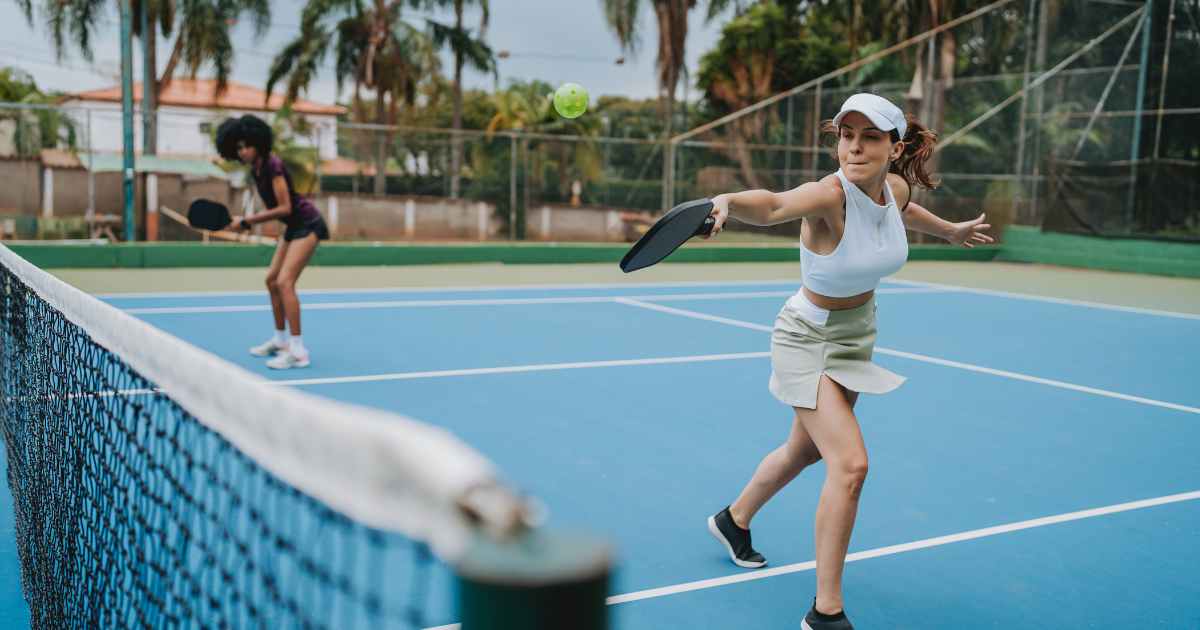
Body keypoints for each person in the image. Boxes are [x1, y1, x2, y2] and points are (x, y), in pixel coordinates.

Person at [703, 93, 993, 630]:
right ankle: (825, 614)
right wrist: (726, 200)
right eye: (845, 135)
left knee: (804, 451)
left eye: (869, 137)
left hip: (857, 334)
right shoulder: (827, 195)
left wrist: (950, 231)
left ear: (893, 147)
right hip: (805, 338)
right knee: (851, 465)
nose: (853, 147)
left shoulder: (894, 186)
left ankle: (733, 519)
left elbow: (905, 207)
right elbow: (772, 204)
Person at [216, 114, 331, 369]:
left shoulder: (273, 165)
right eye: (238, 147)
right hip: (293, 227)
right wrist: (245, 221)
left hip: (308, 224)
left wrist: (248, 221)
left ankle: (298, 351)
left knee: (284, 282)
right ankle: (281, 341)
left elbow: (285, 208)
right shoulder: (256, 169)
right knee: (271, 281)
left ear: (259, 143)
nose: (243, 151)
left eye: (247, 145)